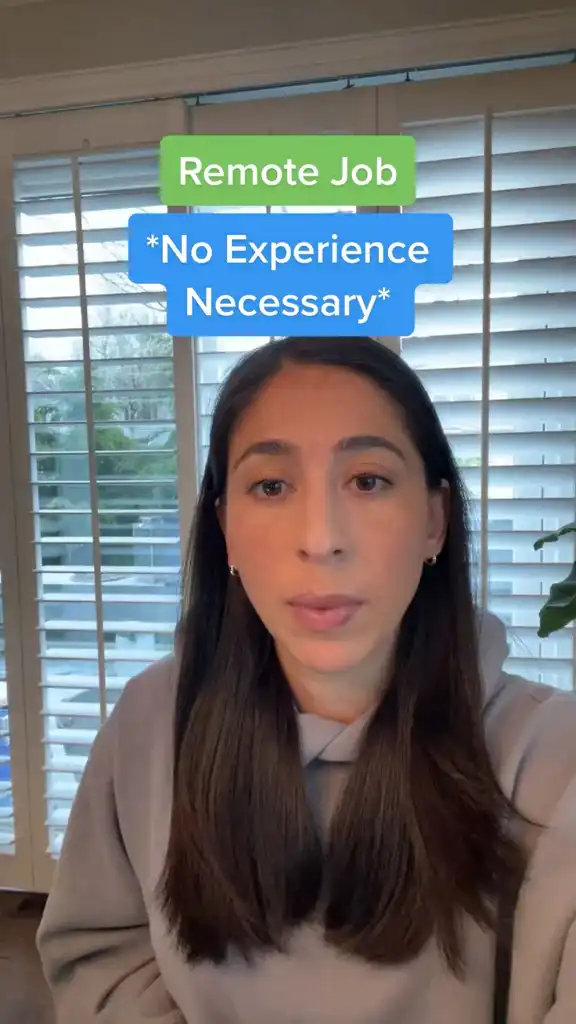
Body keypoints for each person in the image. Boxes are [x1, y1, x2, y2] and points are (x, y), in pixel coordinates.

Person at [36, 336, 576, 1023]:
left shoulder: (556, 764)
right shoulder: (149, 722)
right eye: (271, 486)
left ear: (435, 521)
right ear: (226, 531)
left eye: (368, 480)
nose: (321, 539)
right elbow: (103, 958)